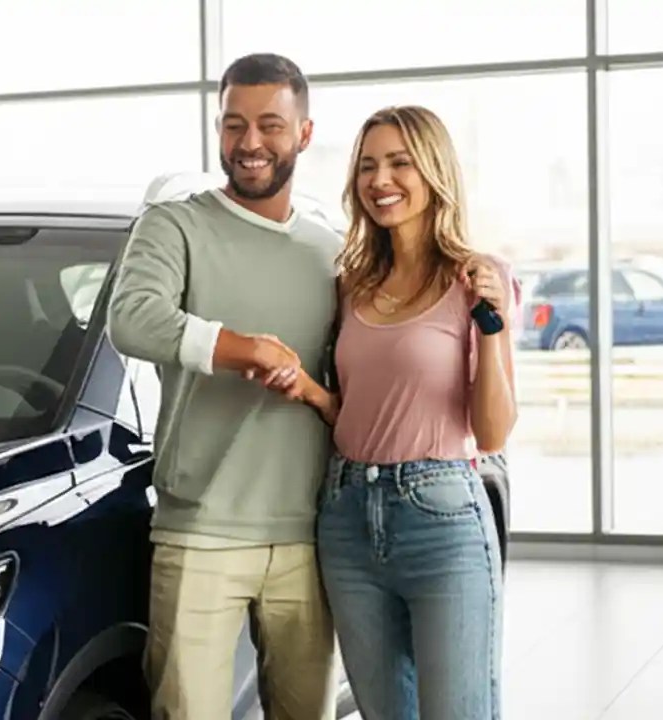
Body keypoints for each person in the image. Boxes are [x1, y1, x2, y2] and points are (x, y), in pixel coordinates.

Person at [108, 53, 341, 720]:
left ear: (304, 133)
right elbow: (134, 320)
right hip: (199, 530)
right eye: (233, 124)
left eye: (270, 124)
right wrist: (246, 350)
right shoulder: (174, 225)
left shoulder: (331, 252)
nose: (249, 143)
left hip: (308, 536)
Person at [269, 105, 517, 719]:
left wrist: (490, 328)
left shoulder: (476, 279)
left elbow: (491, 430)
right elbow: (364, 409)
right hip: (347, 516)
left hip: (443, 518)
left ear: (433, 171)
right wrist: (314, 393)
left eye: (400, 163)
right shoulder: (353, 283)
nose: (381, 180)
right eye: (368, 167)